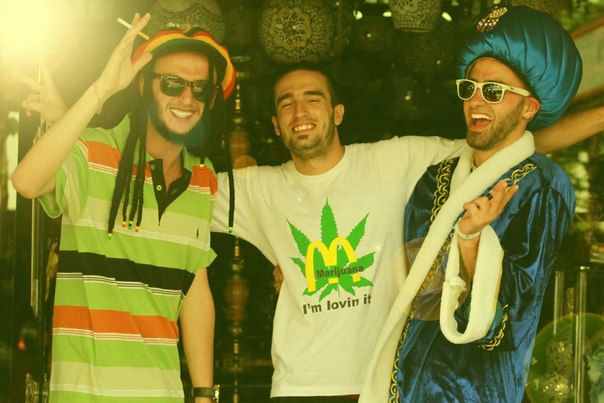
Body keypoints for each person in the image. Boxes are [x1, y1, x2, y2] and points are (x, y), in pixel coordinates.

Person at [17, 21, 602, 402]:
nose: (300, 112)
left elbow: (508, 142)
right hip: (295, 387)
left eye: (313, 98)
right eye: (286, 104)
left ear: (338, 112)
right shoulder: (245, 190)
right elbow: (146, 179)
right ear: (275, 125)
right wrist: (73, 114)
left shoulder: (399, 160)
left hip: (377, 384)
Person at [359, 5, 582, 402]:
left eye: (493, 91)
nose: (476, 101)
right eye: (470, 88)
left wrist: (473, 244)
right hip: (406, 384)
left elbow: (513, 322)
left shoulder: (541, 185)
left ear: (529, 107)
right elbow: (417, 294)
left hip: (478, 391)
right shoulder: (435, 180)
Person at [11, 13, 235, 402]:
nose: (187, 98)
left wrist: (203, 393)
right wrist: (102, 89)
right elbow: (25, 182)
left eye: (200, 88)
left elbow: (194, 288)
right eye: (172, 83)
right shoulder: (93, 153)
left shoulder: (203, 177)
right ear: (145, 85)